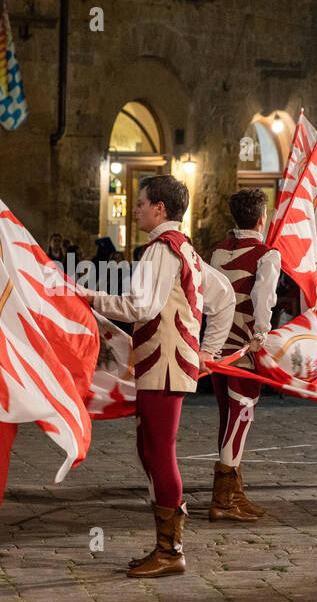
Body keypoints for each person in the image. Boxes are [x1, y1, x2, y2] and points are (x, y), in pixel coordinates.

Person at [79, 175, 234, 579]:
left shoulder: (162, 250)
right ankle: (166, 546)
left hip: (165, 365)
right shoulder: (184, 250)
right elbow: (224, 298)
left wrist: (89, 298)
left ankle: (171, 550)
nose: (136, 209)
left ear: (161, 209)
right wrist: (204, 352)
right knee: (149, 450)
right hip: (162, 363)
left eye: (142, 202)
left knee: (160, 452)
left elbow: (140, 307)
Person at [208, 189, 280, 522]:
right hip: (244, 346)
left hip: (217, 345)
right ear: (261, 218)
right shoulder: (267, 255)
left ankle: (233, 491)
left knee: (229, 416)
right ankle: (224, 499)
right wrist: (261, 336)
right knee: (241, 417)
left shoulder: (217, 251)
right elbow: (262, 299)